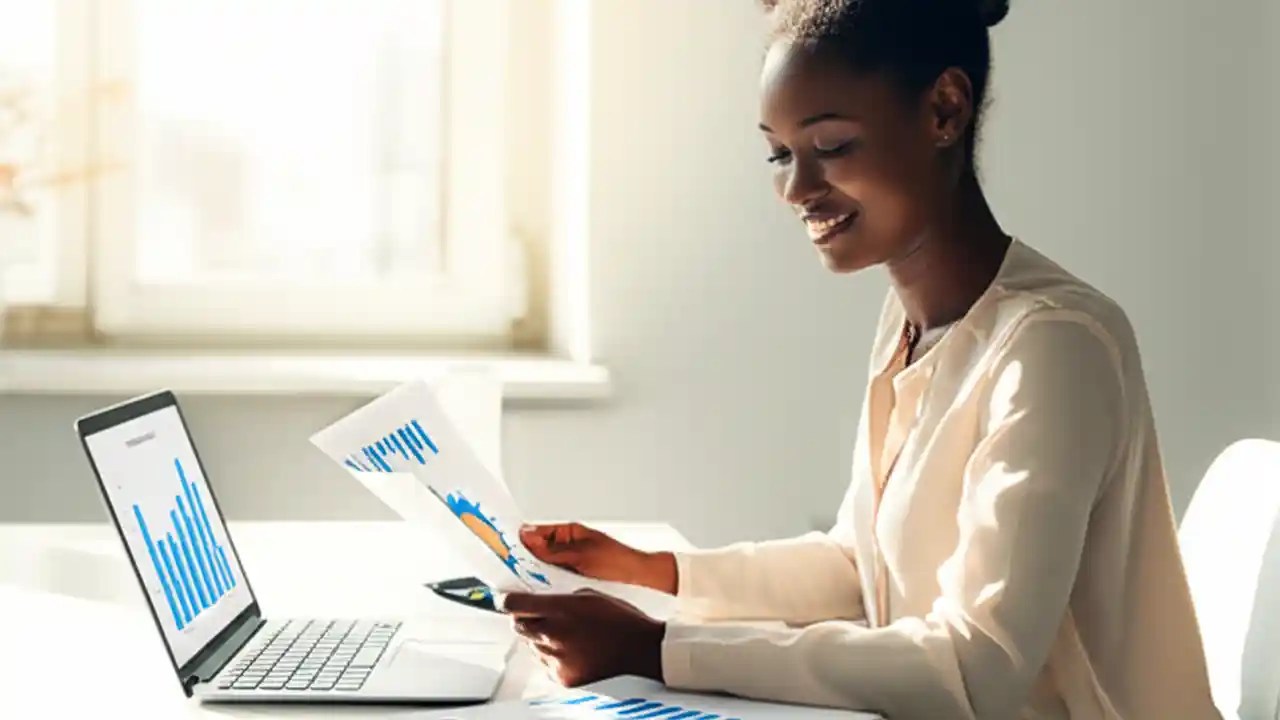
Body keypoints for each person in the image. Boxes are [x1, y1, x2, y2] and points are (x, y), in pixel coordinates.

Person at [502, 0, 1221, 717]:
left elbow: (979, 665)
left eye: (833, 146)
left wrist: (656, 649)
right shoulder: (912, 325)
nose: (796, 189)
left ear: (945, 109)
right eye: (779, 153)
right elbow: (859, 565)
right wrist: (649, 571)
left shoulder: (1053, 345)